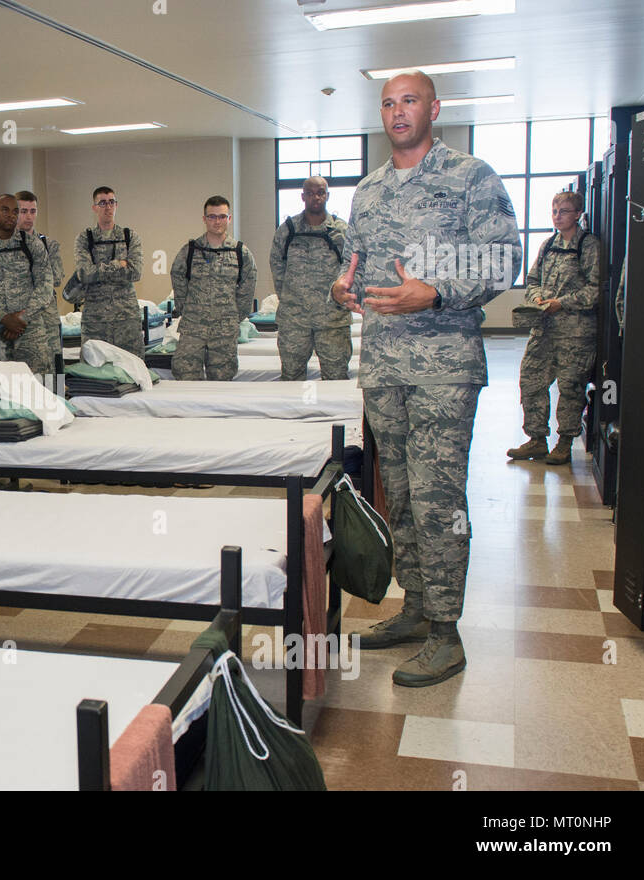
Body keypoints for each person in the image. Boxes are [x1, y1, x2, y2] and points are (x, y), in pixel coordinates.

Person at [331, 71, 521, 687]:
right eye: (388, 103)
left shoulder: (471, 177)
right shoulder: (367, 190)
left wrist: (436, 292)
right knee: (403, 497)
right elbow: (356, 265)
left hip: (444, 366)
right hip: (385, 365)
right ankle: (415, 607)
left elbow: (502, 259)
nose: (397, 111)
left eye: (409, 100)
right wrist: (344, 287)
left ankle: (447, 631)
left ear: (433, 108)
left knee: (440, 499)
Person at [507, 191, 601, 466]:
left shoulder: (588, 246)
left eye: (564, 211)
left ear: (578, 214)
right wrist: (535, 297)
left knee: (570, 387)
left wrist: (562, 302)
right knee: (531, 379)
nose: (557, 216)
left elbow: (594, 290)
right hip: (544, 328)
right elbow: (533, 279)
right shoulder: (548, 245)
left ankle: (565, 442)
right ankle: (537, 439)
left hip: (576, 333)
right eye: (554, 210)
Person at [270, 177, 352, 380]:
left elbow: (352, 267)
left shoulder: (341, 231)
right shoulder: (288, 230)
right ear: (302, 196)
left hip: (333, 319)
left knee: (336, 377)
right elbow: (276, 265)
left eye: (321, 192)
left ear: (327, 195)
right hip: (295, 320)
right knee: (291, 377)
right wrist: (289, 297)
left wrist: (342, 299)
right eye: (310, 193)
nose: (316, 197)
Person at [0, 193, 54, 376]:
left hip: (29, 331)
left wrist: (21, 319)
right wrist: (4, 319)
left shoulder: (32, 245)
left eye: (15, 211)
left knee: (40, 392)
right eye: (5, 210)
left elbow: (45, 287)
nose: (11, 215)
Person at [169, 196, 257, 380]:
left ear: (229, 218)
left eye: (222, 216)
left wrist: (234, 315)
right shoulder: (191, 250)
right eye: (212, 217)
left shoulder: (241, 252)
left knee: (222, 381)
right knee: (185, 376)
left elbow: (247, 287)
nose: (217, 221)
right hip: (193, 327)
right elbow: (177, 276)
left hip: (224, 330)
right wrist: (186, 307)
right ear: (204, 219)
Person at [65, 186, 144, 355]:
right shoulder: (84, 239)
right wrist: (119, 264)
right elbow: (84, 274)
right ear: (94, 208)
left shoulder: (130, 237)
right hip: (95, 321)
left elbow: (136, 272)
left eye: (111, 202)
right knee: (93, 374)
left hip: (127, 320)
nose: (108, 207)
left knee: (133, 371)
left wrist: (98, 271)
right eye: (102, 203)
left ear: (117, 205)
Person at [16, 190, 65, 363]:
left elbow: (57, 277)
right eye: (23, 211)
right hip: (18, 321)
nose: (29, 216)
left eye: (33, 211)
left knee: (55, 372)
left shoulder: (48, 244)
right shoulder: (6, 247)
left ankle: (58, 390)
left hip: (47, 320)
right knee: (23, 377)